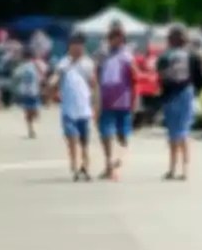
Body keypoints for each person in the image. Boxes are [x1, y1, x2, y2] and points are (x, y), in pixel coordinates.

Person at [157, 25, 202, 180]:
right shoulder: (192, 55)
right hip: (186, 93)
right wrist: (197, 91)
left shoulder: (165, 57)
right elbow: (201, 79)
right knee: (184, 131)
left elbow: (160, 77)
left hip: (170, 95)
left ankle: (172, 168)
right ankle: (185, 169)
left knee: (172, 132)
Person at [50, 32, 98, 181]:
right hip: (68, 110)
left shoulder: (88, 63)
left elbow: (94, 84)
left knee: (84, 141)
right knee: (73, 138)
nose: (78, 48)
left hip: (84, 108)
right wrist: (52, 88)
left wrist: (96, 106)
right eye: (75, 44)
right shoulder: (63, 63)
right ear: (70, 46)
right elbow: (55, 78)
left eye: (81, 45)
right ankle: (75, 166)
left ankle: (85, 166)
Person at [97, 22, 137, 180]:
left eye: (116, 37)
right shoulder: (104, 56)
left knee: (122, 135)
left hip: (123, 101)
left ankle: (116, 163)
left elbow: (135, 80)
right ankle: (109, 164)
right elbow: (98, 78)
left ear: (122, 38)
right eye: (110, 37)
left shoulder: (127, 57)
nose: (112, 40)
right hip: (107, 100)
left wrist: (134, 101)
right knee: (105, 133)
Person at [11, 47, 42, 138]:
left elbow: (15, 76)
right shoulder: (28, 66)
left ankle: (31, 126)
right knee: (30, 112)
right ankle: (31, 130)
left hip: (30, 91)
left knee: (31, 112)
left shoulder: (31, 65)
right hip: (29, 92)